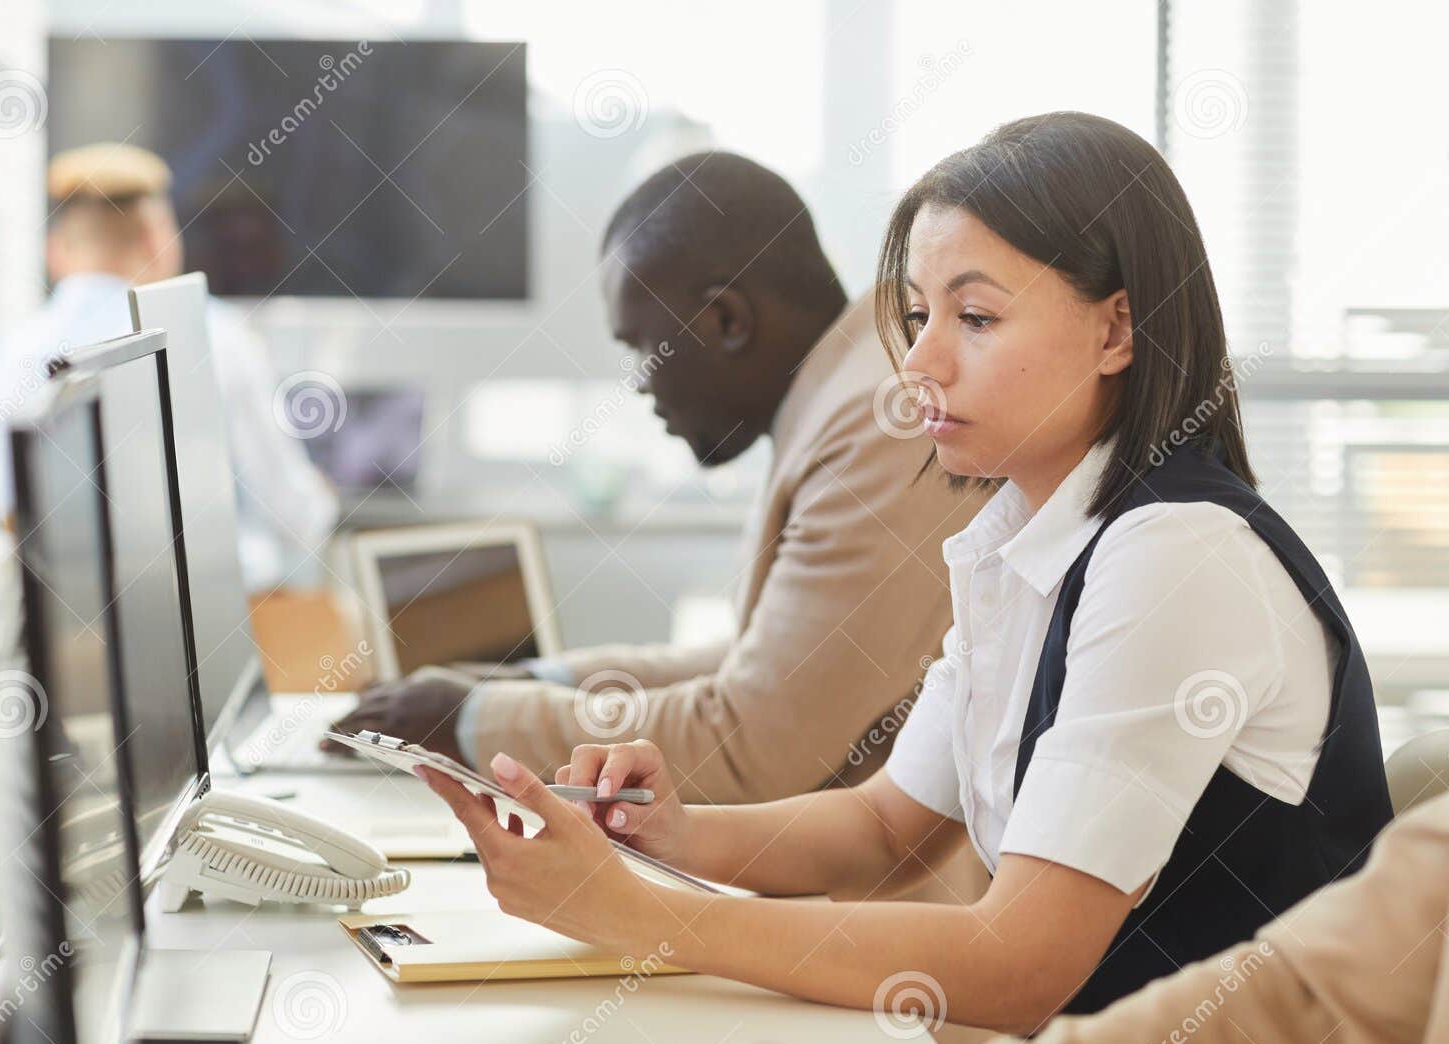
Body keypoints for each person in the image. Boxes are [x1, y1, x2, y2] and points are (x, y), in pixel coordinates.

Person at [415, 114, 1394, 1035]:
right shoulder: (1023, 537)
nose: (918, 359)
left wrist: (638, 915)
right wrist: (668, 832)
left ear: (1115, 331)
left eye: (972, 316)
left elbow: (1018, 960)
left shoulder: (1176, 553)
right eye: (919, 313)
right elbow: (884, 822)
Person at [333, 153, 988, 818]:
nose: (642, 384)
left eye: (643, 347)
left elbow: (754, 740)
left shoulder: (878, 420)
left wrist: (473, 721)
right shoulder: (846, 388)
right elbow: (759, 661)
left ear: (726, 320)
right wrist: (534, 682)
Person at [0, 142, 336, 589]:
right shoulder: (216, 338)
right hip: (207, 622)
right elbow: (290, 511)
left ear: (56, 251)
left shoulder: (11, 356)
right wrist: (324, 501)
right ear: (158, 239)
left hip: (64, 630)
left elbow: (14, 510)